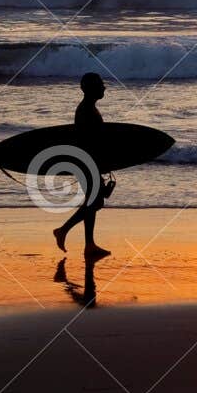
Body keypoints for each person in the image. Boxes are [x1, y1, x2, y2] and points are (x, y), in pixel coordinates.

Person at [53, 72, 115, 258]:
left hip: (87, 161)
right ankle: (64, 231)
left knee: (93, 201)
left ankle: (89, 244)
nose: (104, 87)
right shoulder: (86, 110)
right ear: (91, 89)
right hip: (86, 161)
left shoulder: (89, 107)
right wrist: (97, 163)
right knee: (94, 202)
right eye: (100, 85)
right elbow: (87, 141)